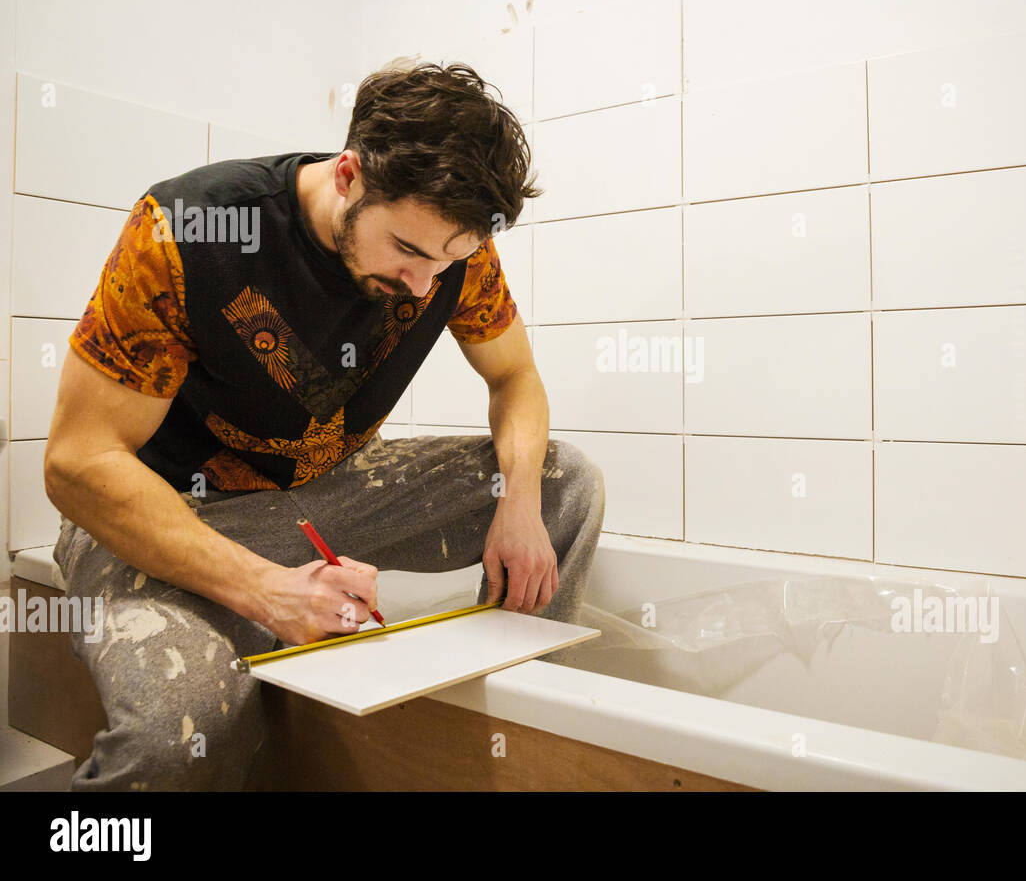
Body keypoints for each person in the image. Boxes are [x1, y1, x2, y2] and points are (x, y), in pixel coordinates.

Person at [44, 60, 606, 790]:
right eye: (405, 250)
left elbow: (515, 378)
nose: (423, 284)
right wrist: (267, 592)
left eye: (450, 259)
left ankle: (515, 733)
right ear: (348, 175)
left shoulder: (449, 243)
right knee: (179, 737)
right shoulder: (186, 231)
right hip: (157, 516)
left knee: (564, 483)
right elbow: (76, 465)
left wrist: (520, 501)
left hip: (315, 497)